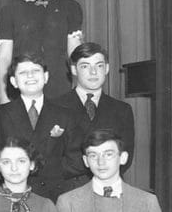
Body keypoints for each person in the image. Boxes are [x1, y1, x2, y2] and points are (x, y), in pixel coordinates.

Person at [0, 0, 83, 101]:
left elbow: (75, 54)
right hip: (21, 89)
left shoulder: (70, 7)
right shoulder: (8, 11)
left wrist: (78, 90)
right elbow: (4, 58)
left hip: (60, 88)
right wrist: (4, 97)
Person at [0, 53, 81, 202]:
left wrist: (50, 171)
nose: (30, 76)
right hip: (12, 194)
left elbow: (75, 159)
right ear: (14, 81)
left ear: (46, 77)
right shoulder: (0, 114)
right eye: (23, 72)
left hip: (53, 194)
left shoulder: (65, 115)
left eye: (36, 71)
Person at [54, 43, 136, 191]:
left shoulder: (122, 110)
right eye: (85, 66)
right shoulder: (54, 107)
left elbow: (125, 158)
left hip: (108, 190)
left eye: (99, 66)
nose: (93, 72)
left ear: (107, 69)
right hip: (66, 192)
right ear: (74, 69)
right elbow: (51, 160)